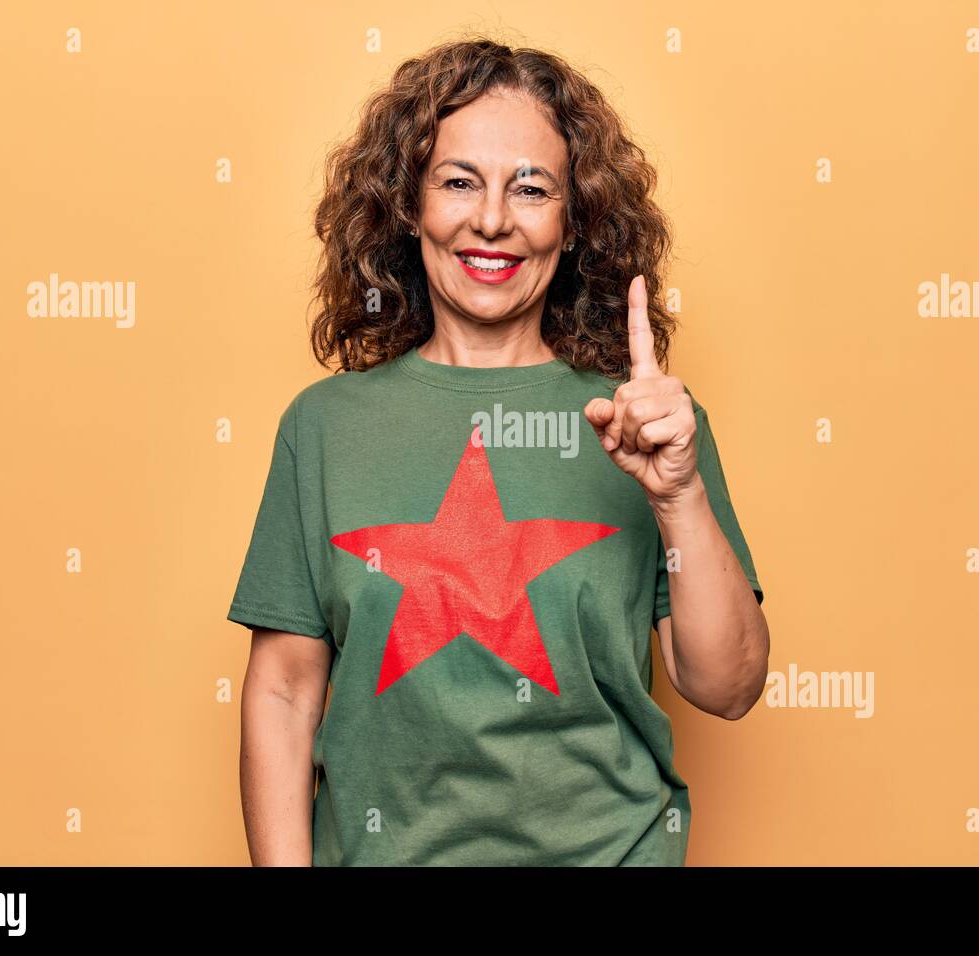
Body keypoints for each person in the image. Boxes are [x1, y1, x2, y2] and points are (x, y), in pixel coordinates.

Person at [226, 36, 768, 866]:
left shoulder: (650, 424)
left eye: (531, 188)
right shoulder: (325, 428)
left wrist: (677, 495)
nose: (492, 220)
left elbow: (726, 687)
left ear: (575, 218)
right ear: (409, 206)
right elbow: (283, 691)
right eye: (458, 182)